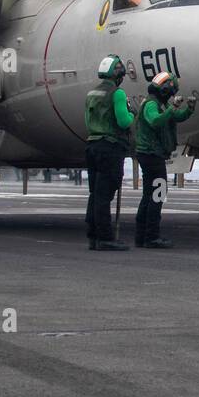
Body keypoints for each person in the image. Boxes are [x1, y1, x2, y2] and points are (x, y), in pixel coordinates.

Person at [133, 71, 195, 248]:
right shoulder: (152, 105)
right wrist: (171, 108)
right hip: (152, 155)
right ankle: (151, 236)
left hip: (151, 155)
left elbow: (176, 117)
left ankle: (141, 236)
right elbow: (155, 121)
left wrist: (189, 109)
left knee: (148, 195)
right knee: (157, 194)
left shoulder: (158, 103)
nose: (173, 94)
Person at [85, 55, 134, 251]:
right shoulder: (117, 93)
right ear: (118, 74)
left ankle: (93, 236)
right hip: (110, 147)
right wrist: (133, 114)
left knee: (94, 194)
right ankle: (106, 238)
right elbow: (124, 121)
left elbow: (87, 121)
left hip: (92, 146)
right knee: (105, 195)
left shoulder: (92, 93)